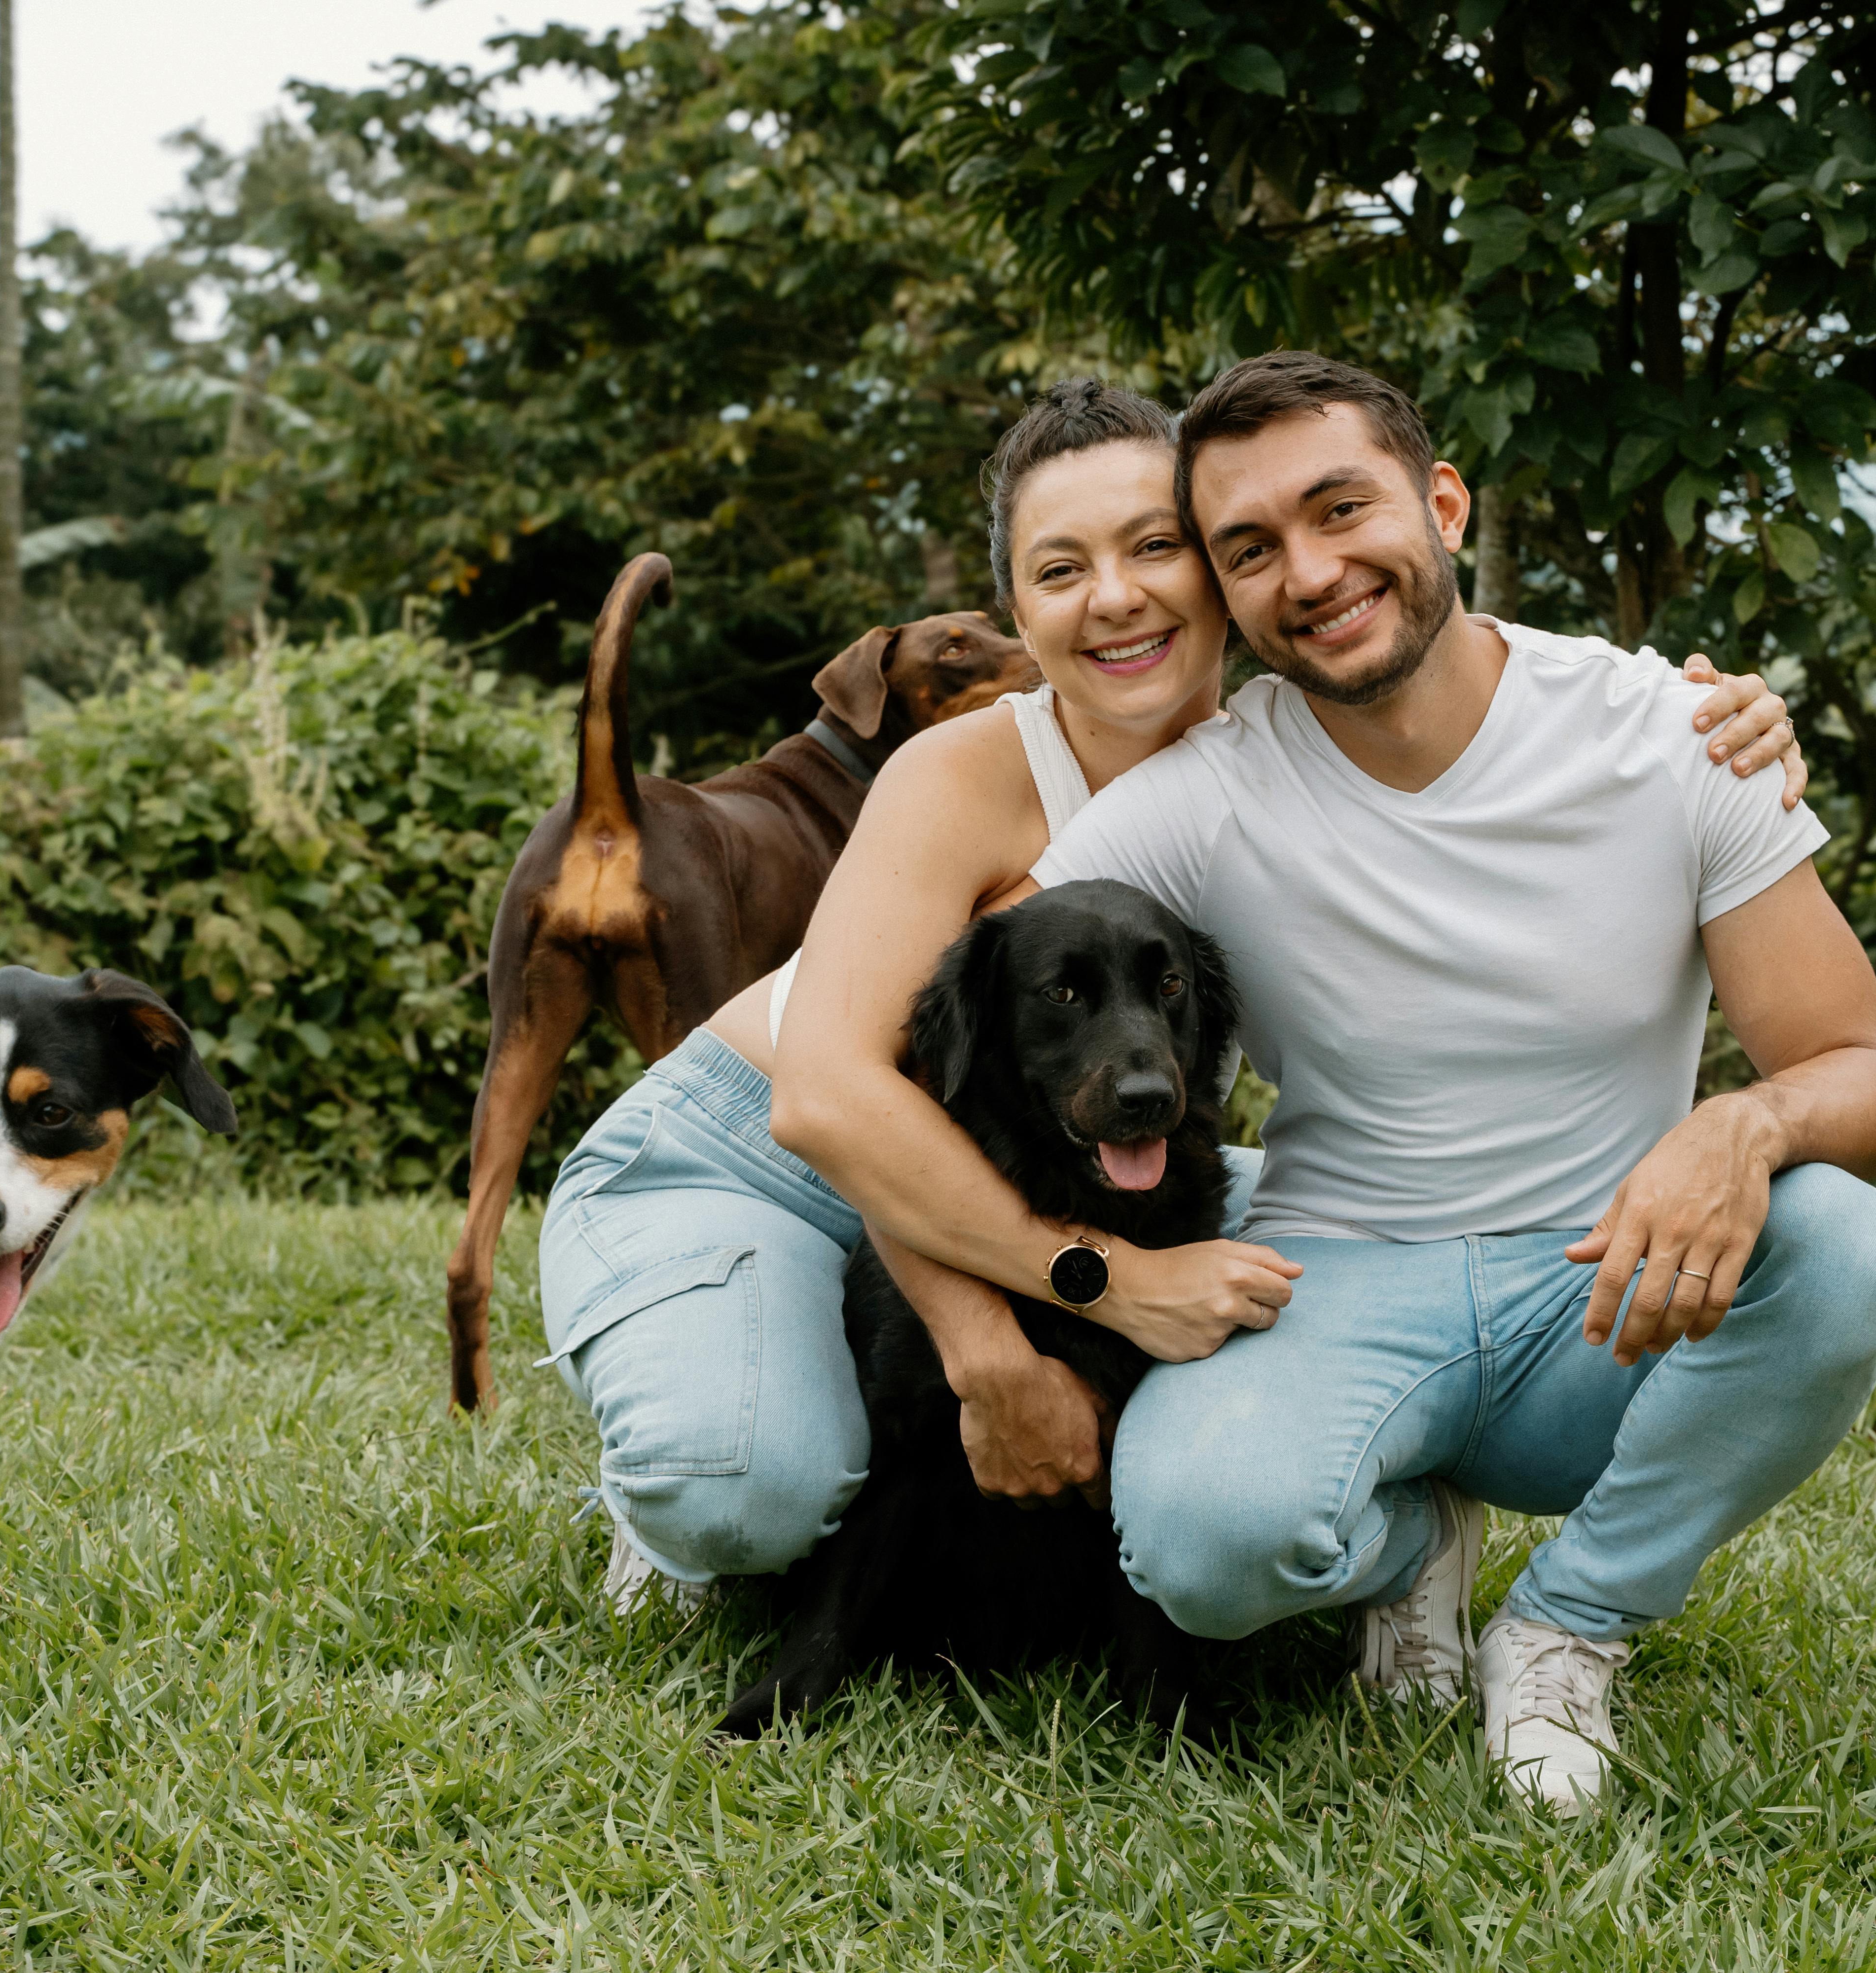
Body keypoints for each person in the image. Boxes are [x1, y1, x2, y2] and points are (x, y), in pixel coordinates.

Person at [774, 353, 1876, 1814]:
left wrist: (1745, 1121)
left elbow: (1866, 1079)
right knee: (1198, 1547)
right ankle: (1399, 1549)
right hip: (1339, 1293)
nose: (1308, 572)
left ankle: (1570, 1628)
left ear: (1443, 504)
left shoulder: (1672, 734)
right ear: (1233, 597)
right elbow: (949, 1035)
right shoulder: (1199, 796)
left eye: (1342, 510)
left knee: (1839, 1245)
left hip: (1601, 1296)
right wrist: (999, 1326)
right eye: (1250, 549)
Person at [534, 380, 1807, 1627]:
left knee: (1319, 1239)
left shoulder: (1300, 739)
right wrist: (1025, 1336)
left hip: (1042, 1165)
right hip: (760, 1151)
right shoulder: (963, 775)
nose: (1118, 596)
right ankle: (694, 1474)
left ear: (1225, 569)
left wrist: (1716, 722)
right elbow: (845, 1107)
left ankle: (1400, 1516)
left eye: (1157, 547)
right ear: (1015, 613)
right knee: (750, 1490)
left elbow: (1497, 711)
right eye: (1059, 568)